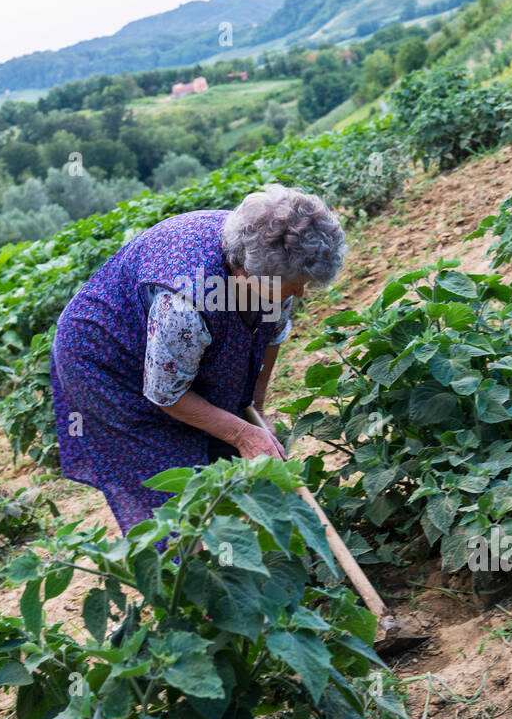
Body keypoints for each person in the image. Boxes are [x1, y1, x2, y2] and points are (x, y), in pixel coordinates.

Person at [48, 183, 346, 537]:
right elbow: (167, 394)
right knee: (171, 476)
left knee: (233, 431)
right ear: (244, 274)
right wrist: (243, 434)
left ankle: (249, 542)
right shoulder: (185, 301)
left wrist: (255, 408)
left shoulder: (270, 255)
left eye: (304, 283)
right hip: (104, 357)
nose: (300, 292)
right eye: (292, 285)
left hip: (172, 341)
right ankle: (187, 565)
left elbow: (271, 335)